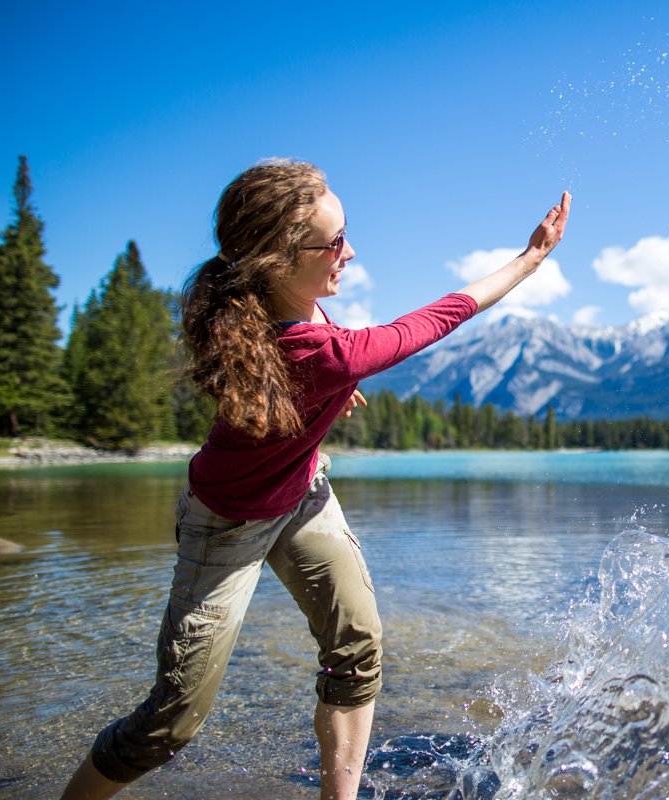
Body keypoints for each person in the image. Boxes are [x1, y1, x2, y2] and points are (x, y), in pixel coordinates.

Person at [61, 159, 570, 799]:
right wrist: (530, 259)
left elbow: (306, 361)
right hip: (227, 523)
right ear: (276, 262)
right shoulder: (316, 351)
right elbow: (442, 316)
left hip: (302, 495)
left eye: (345, 233)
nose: (350, 252)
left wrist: (325, 407)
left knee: (357, 648)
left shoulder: (277, 313)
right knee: (170, 723)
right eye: (332, 243)